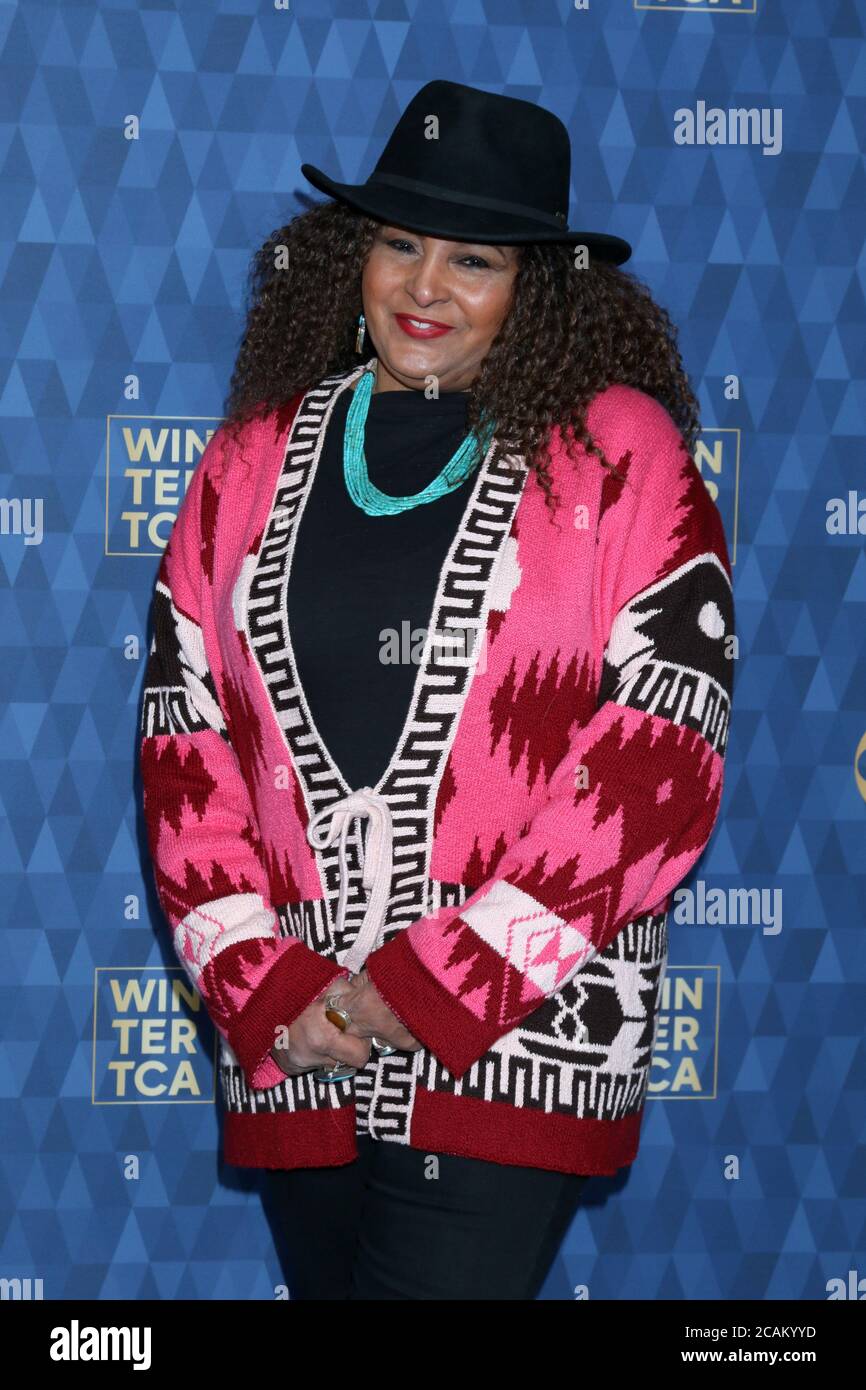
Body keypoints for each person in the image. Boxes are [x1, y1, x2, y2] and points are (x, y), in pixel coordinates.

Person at [139, 79, 735, 1300]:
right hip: (303, 1050)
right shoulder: (248, 458)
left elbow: (659, 750)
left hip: (519, 1049)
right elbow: (180, 736)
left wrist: (438, 985)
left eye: (473, 258)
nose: (423, 287)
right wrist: (267, 985)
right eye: (399, 243)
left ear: (540, 287)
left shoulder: (620, 453)